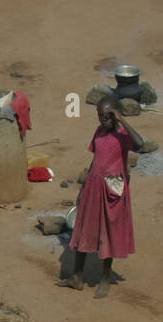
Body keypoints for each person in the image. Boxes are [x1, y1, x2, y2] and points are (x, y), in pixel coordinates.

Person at [56, 96, 143, 298]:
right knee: (83, 231)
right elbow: (96, 160)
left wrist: (121, 119)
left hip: (112, 189)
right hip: (93, 186)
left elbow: (139, 144)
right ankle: (77, 277)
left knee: (109, 234)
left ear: (116, 115)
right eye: (100, 115)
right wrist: (83, 187)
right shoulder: (99, 132)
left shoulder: (123, 135)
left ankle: (105, 278)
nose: (103, 120)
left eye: (107, 116)